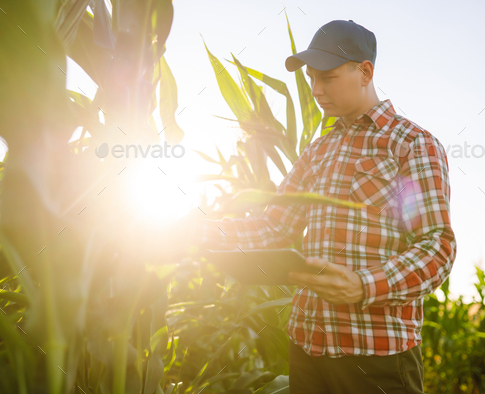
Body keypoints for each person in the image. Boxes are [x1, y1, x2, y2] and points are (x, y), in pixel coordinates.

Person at [194, 19, 457, 394]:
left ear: (365, 71)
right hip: (307, 348)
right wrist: (199, 230)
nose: (316, 90)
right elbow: (273, 226)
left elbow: (437, 247)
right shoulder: (317, 151)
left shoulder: (411, 144)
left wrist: (363, 285)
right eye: (311, 79)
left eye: (328, 78)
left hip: (375, 358)